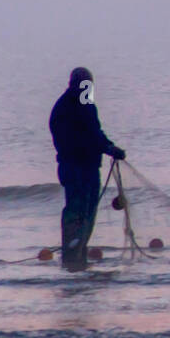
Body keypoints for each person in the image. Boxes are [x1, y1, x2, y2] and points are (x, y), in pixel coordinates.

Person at [48, 66, 125, 270]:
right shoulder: (69, 108)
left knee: (87, 210)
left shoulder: (80, 104)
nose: (87, 89)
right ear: (74, 84)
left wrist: (108, 145)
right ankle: (72, 255)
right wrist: (108, 148)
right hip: (76, 168)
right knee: (78, 210)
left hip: (85, 166)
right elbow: (87, 136)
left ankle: (77, 255)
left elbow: (94, 131)